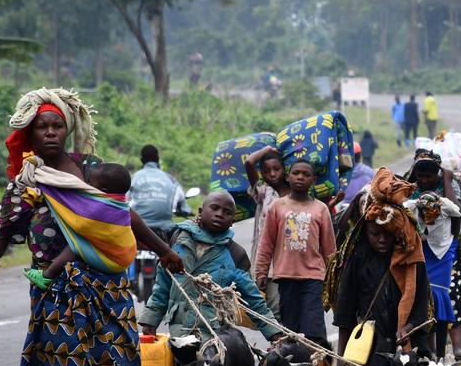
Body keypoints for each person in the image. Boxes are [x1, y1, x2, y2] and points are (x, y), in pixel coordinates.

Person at [0, 88, 185, 366]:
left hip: (105, 282)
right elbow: (3, 228)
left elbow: (122, 215)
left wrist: (163, 251)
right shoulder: (27, 181)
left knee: (116, 355)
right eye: (43, 127)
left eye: (58, 125)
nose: (51, 132)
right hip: (55, 289)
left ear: (68, 128)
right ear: (31, 133)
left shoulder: (91, 169)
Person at [333, 168, 432, 366]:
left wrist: (408, 327)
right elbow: (345, 312)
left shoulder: (413, 261)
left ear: (397, 231)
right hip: (368, 352)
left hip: (405, 355)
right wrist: (341, 358)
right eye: (375, 233)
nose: (381, 239)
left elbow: (422, 307)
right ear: (365, 230)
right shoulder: (357, 258)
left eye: (387, 233)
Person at [138, 191, 280, 340]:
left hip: (214, 334)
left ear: (232, 221)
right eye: (214, 208)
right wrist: (150, 322)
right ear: (200, 211)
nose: (220, 214)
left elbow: (254, 300)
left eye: (227, 212)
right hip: (178, 333)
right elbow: (162, 288)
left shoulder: (235, 254)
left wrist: (276, 334)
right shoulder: (178, 241)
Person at [254, 159, 337, 343]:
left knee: (313, 328)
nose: (300, 177)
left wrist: (333, 280)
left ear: (313, 180)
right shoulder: (277, 207)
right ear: (288, 176)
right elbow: (266, 242)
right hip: (285, 278)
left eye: (306, 174)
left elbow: (330, 250)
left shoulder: (320, 209)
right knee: (291, 330)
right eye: (296, 173)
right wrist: (260, 272)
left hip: (314, 278)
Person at [25, 163, 132, 290]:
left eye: (90, 183)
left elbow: (80, 223)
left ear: (103, 190)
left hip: (113, 260)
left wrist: (46, 187)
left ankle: (47, 275)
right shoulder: (122, 205)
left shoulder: (100, 209)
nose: (86, 185)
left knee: (76, 245)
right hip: (127, 254)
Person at [406, 155, 461, 358]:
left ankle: (440, 352)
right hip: (422, 249)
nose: (424, 181)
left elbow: (458, 214)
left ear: (438, 174)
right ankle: (427, 350)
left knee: (440, 295)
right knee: (424, 297)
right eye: (421, 176)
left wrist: (448, 180)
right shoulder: (413, 188)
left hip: (444, 249)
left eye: (429, 177)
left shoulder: (447, 189)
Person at [244, 145, 290, 313]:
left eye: (276, 169)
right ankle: (281, 340)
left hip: (293, 260)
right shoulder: (263, 192)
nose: (272, 174)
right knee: (275, 308)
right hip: (269, 263)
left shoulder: (296, 192)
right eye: (267, 171)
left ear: (285, 169)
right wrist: (267, 149)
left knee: (294, 308)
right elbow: (249, 162)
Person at [128, 145, 190, 240]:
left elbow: (124, 201)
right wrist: (186, 210)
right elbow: (185, 208)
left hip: (137, 229)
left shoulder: (133, 178)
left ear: (141, 159)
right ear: (158, 158)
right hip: (165, 230)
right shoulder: (171, 180)